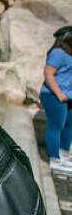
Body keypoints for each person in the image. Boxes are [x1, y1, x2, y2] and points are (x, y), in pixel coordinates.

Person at [41, 26, 72, 174]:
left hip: (67, 96)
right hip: (53, 95)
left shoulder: (69, 54)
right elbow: (48, 73)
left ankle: (64, 155)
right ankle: (54, 160)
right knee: (56, 126)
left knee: (68, 125)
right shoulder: (57, 53)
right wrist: (59, 93)